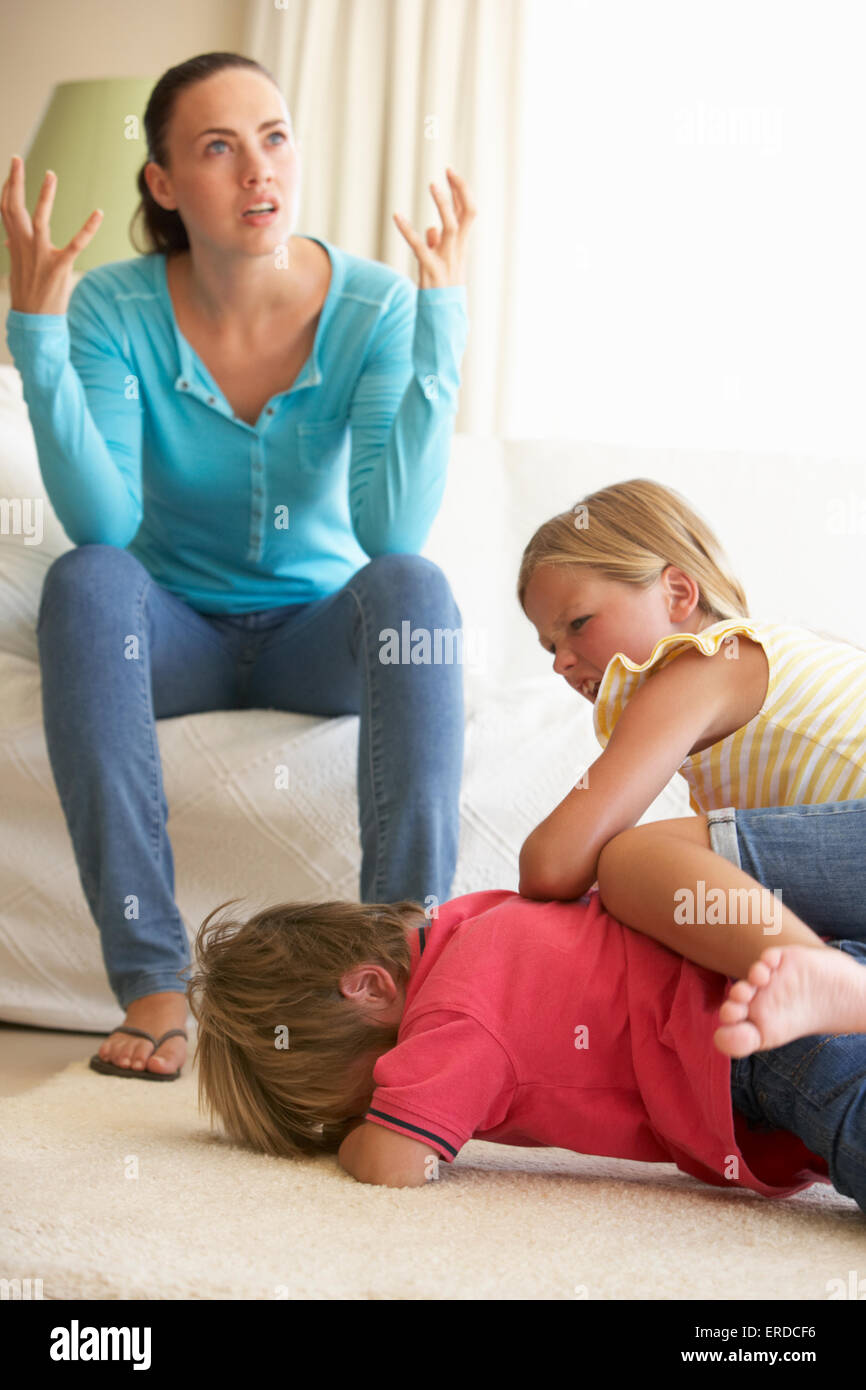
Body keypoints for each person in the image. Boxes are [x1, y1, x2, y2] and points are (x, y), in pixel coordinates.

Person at [1, 51, 476, 1083]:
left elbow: (389, 528)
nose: (257, 168)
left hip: (316, 641)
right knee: (84, 580)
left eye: (272, 137)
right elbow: (103, 519)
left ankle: (401, 969)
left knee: (414, 588)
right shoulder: (115, 309)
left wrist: (440, 327)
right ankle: (153, 985)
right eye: (217, 148)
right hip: (171, 634)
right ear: (164, 183)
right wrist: (36, 334)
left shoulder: (373, 307)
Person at [186, 795, 866, 1207]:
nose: (392, 1093)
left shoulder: (453, 1015)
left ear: (369, 989)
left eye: (374, 1088)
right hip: (780, 991)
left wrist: (363, 1140)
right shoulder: (473, 923)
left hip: (751, 1050)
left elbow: (397, 1162)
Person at [514, 479, 866, 933]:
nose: (561, 662)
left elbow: (553, 864)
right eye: (550, 647)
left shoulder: (708, 664)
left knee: (632, 862)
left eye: (578, 623)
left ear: (678, 594)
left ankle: (815, 980)